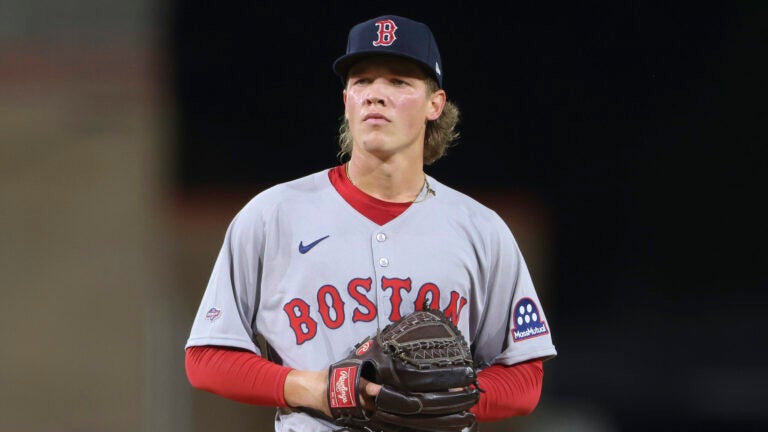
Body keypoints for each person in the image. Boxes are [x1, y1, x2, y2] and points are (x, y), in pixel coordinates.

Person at [185, 14, 557, 431]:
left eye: (399, 82)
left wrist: (447, 399)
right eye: (362, 81)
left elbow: (525, 378)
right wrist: (316, 388)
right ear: (346, 99)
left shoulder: (481, 230)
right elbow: (206, 359)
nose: (375, 95)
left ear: (435, 104)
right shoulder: (273, 216)